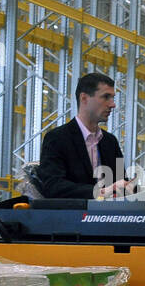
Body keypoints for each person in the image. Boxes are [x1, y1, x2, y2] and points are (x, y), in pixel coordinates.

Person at [35, 73, 133, 201]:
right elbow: (53, 186)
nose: (112, 104)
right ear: (84, 98)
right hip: (74, 217)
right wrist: (101, 192)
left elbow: (121, 182)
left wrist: (143, 187)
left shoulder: (110, 142)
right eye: (106, 97)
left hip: (108, 216)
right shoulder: (57, 138)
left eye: (112, 98)